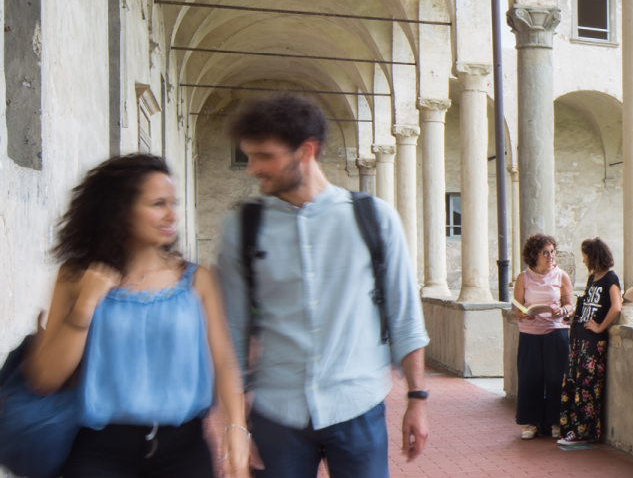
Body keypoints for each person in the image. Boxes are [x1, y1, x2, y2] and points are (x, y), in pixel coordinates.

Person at [217, 95, 430, 478]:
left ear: (306, 151)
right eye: (248, 156)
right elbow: (231, 332)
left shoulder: (374, 218)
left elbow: (405, 317)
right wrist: (236, 426)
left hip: (358, 407)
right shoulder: (242, 228)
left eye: (264, 156)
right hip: (275, 413)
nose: (252, 169)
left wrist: (417, 400)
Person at [26, 154, 250, 478]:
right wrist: (86, 304)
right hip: (99, 452)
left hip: (184, 449)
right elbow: (46, 377)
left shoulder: (197, 280)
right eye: (158, 204)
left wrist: (236, 426)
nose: (172, 215)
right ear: (120, 209)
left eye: (174, 203)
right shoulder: (76, 276)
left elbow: (223, 360)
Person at [557, 238, 623, 445]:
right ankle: (570, 428)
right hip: (578, 338)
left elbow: (616, 306)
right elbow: (588, 306)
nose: (583, 259)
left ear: (594, 255)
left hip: (593, 342)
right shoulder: (593, 278)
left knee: (587, 385)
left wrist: (600, 327)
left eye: (585, 255)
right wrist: (573, 317)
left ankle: (584, 432)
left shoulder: (610, 278)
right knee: (573, 383)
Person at [512, 234, 573, 440]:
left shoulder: (561, 275)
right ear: (533, 255)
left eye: (552, 251)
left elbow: (569, 305)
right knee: (530, 378)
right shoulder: (523, 277)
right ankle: (530, 423)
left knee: (556, 379)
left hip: (556, 332)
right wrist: (521, 313)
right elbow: (517, 304)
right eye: (545, 252)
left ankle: (555, 422)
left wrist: (561, 312)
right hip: (530, 333)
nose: (550, 256)